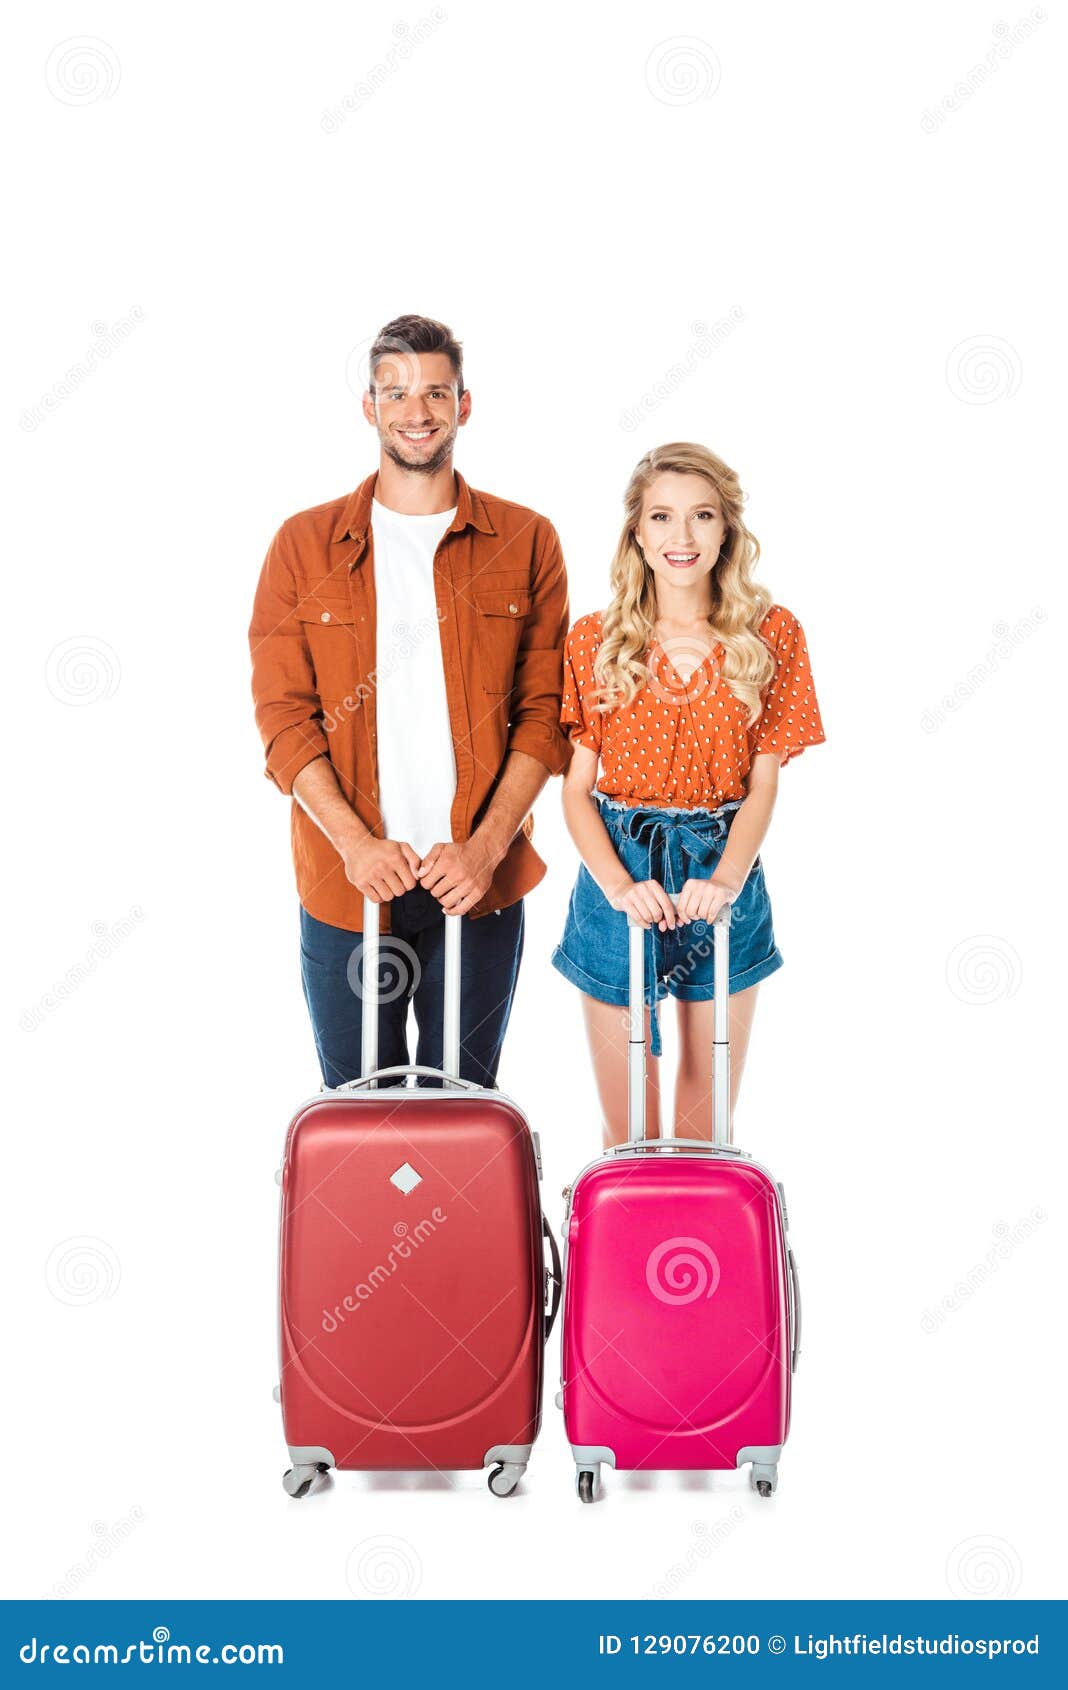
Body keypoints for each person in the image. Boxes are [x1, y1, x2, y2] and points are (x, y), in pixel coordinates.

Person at [249, 314, 570, 1088]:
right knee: (361, 1119)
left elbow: (546, 711)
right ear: (370, 407)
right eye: (396, 393)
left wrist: (486, 848)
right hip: (347, 885)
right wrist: (357, 845)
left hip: (478, 884)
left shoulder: (525, 540)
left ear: (464, 403)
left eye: (434, 392)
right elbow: (284, 719)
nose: (416, 411)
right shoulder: (304, 543)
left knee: (466, 1110)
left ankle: (474, 1216)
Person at [551, 442, 825, 1145]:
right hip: (620, 867)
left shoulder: (771, 635)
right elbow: (577, 791)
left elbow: (763, 784)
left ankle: (698, 1249)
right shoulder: (594, 640)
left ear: (726, 529)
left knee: (707, 1119)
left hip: (721, 864)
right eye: (662, 517)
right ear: (636, 533)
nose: (682, 537)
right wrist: (617, 885)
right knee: (629, 1122)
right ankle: (627, 1246)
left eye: (702, 516)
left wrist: (726, 876)